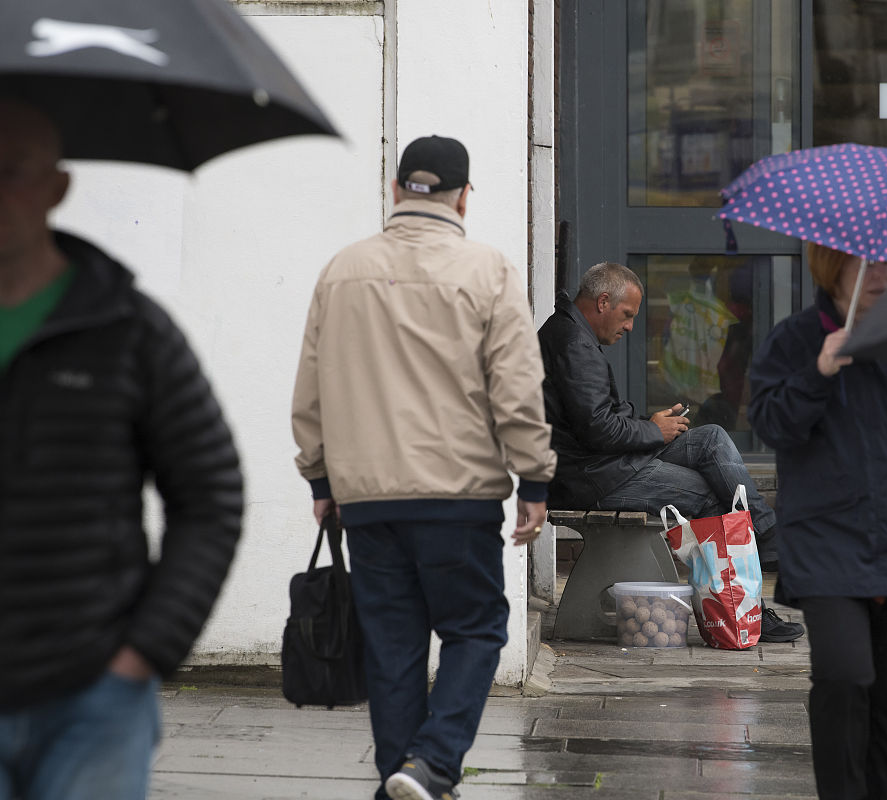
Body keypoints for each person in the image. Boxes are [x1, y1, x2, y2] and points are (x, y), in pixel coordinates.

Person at [291, 135, 556, 800]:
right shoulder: (487, 270)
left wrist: (321, 480)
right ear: (464, 196)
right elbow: (517, 390)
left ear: (396, 190)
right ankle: (434, 761)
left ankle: (401, 782)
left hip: (368, 500)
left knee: (393, 649)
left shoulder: (341, 270)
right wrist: (535, 480)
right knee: (476, 628)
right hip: (456, 497)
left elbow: (311, 389)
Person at [0, 99, 243, 799]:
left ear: (56, 188)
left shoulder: (129, 331)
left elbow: (210, 498)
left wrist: (144, 655)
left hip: (92, 697)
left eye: (12, 170)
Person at [747, 243, 887, 800]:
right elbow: (773, 425)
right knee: (845, 679)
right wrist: (820, 370)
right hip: (827, 545)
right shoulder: (796, 340)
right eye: (865, 262)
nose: (881, 273)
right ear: (832, 268)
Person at [538, 261, 805, 643]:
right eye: (627, 315)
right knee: (711, 496)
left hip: (607, 462)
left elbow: (595, 420)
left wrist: (650, 423)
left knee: (710, 437)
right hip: (595, 476)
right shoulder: (572, 343)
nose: (630, 326)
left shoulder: (571, 333)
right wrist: (651, 429)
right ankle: (742, 610)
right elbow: (597, 430)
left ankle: (767, 535)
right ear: (602, 302)